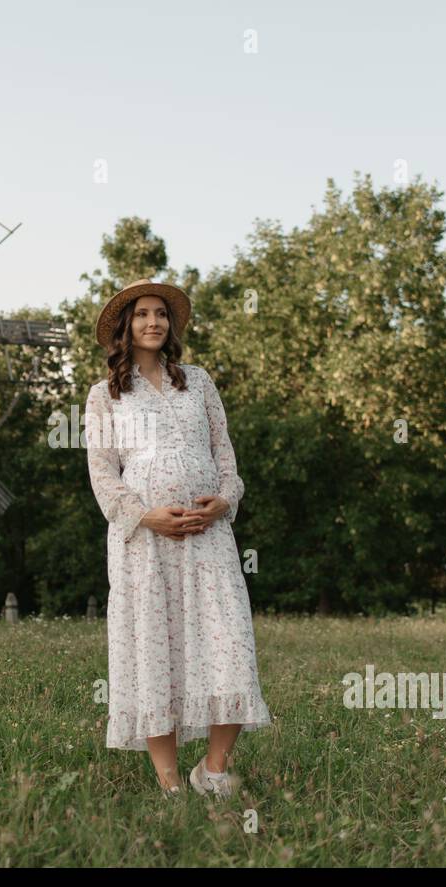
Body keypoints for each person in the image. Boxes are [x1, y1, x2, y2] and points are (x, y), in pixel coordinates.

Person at [84, 277, 272, 799]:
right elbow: (102, 474)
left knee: (229, 643)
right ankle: (170, 784)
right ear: (126, 325)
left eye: (161, 314)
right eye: (142, 313)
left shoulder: (199, 382)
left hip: (208, 537)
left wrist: (225, 500)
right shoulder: (104, 396)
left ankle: (213, 770)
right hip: (144, 544)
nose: (153, 322)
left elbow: (226, 457)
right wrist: (146, 516)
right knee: (153, 651)